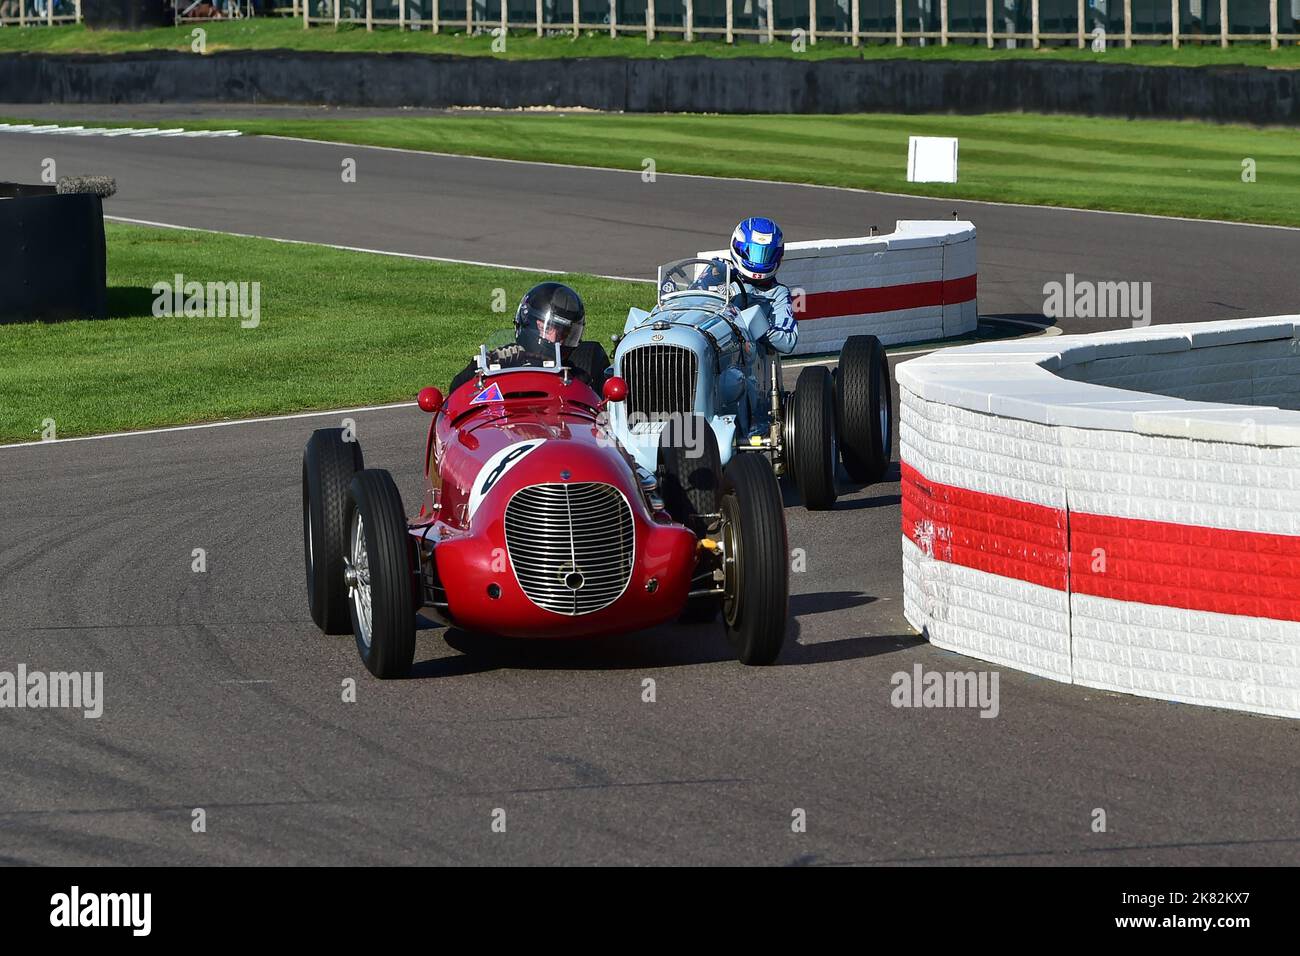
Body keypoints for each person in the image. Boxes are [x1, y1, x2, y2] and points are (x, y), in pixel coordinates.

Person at [726, 217, 797, 437]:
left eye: (764, 255)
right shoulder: (718, 276)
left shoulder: (778, 294)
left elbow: (789, 341)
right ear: (739, 249)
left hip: (749, 366)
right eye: (754, 253)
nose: (759, 261)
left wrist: (759, 326)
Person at [450, 281, 588, 394]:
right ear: (534, 325)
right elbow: (456, 394)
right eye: (550, 329)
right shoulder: (497, 363)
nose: (559, 340)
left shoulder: (576, 378)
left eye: (566, 334)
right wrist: (486, 362)